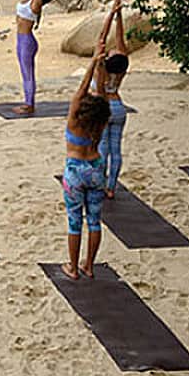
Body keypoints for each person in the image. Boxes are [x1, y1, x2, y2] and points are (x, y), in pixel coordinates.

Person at [60, 47, 114, 280]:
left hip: (74, 170)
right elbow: (101, 94)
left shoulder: (74, 118)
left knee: (74, 222)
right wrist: (100, 67)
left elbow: (82, 89)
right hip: (95, 169)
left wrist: (93, 63)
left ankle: (73, 267)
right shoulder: (101, 120)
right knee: (94, 220)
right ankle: (89, 265)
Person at [94, 0, 130, 199]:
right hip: (119, 106)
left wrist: (111, 14)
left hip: (104, 107)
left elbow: (101, 37)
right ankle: (111, 187)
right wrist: (119, 17)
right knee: (116, 149)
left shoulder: (101, 69)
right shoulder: (122, 67)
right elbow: (120, 40)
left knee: (102, 148)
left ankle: (101, 184)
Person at [13, 0, 56, 115]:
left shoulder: (37, 4)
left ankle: (29, 104)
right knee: (25, 72)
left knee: (28, 73)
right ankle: (27, 102)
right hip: (21, 39)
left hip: (27, 41)